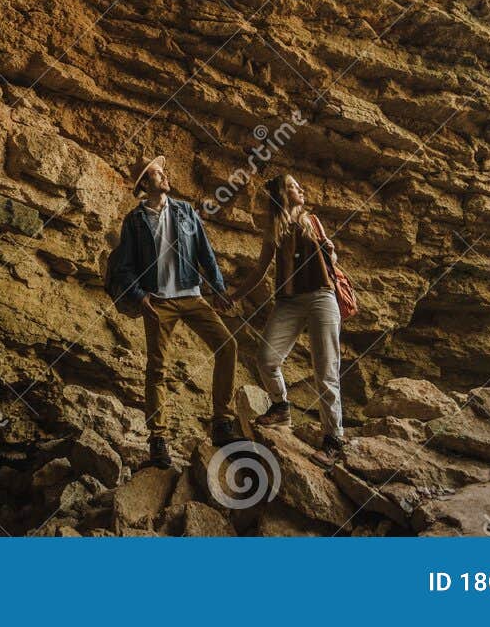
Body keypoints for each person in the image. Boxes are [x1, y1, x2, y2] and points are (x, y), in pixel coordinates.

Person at [106, 154, 238, 467]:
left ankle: (222, 422)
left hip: (191, 295)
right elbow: (123, 267)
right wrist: (140, 298)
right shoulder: (134, 222)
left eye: (163, 172)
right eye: (157, 174)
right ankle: (159, 440)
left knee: (227, 345)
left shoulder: (185, 212)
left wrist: (218, 289)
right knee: (157, 369)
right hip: (158, 302)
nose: (164, 177)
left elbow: (206, 253)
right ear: (144, 185)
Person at [231, 173, 345, 465]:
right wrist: (234, 295)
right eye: (294, 186)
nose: (301, 189)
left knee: (325, 371)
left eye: (299, 185)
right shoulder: (275, 230)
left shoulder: (313, 222)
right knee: (267, 358)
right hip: (289, 301)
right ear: (282, 194)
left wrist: (331, 254)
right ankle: (281, 406)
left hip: (321, 296)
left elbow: (330, 267)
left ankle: (334, 440)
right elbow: (259, 271)